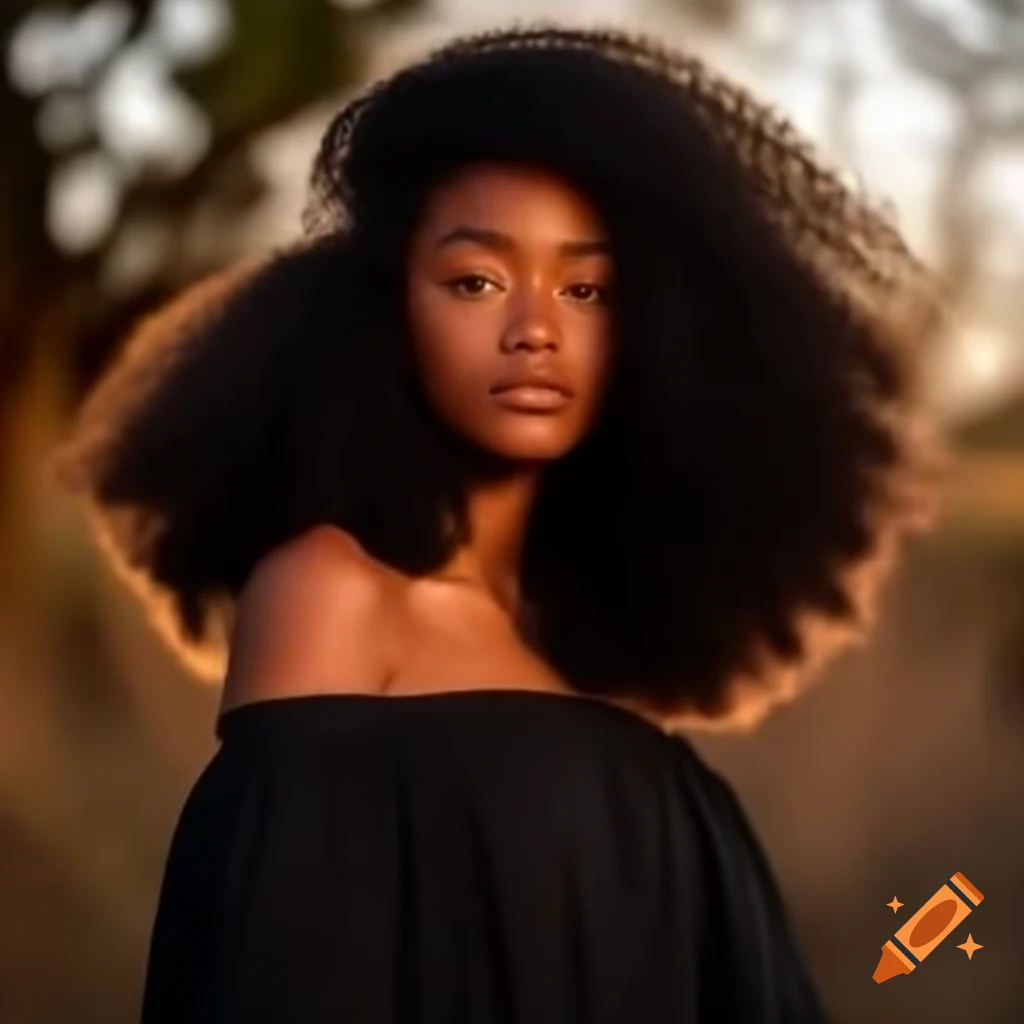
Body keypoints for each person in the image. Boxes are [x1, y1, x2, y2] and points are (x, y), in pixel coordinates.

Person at [52, 22, 946, 1023]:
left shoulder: (608, 665)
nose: (536, 329)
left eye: (586, 288)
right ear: (385, 309)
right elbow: (272, 982)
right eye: (476, 281)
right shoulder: (330, 593)